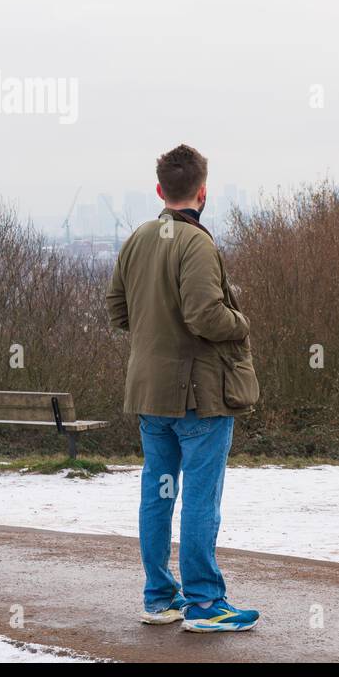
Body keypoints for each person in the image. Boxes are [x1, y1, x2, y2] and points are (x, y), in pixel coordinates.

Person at [106, 143, 261, 632]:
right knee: (199, 496)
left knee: (158, 493)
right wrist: (241, 321)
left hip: (150, 395)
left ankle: (158, 598)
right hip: (198, 397)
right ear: (202, 191)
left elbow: (117, 312)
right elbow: (204, 316)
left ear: (159, 189)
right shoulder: (196, 243)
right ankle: (204, 604)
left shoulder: (137, 238)